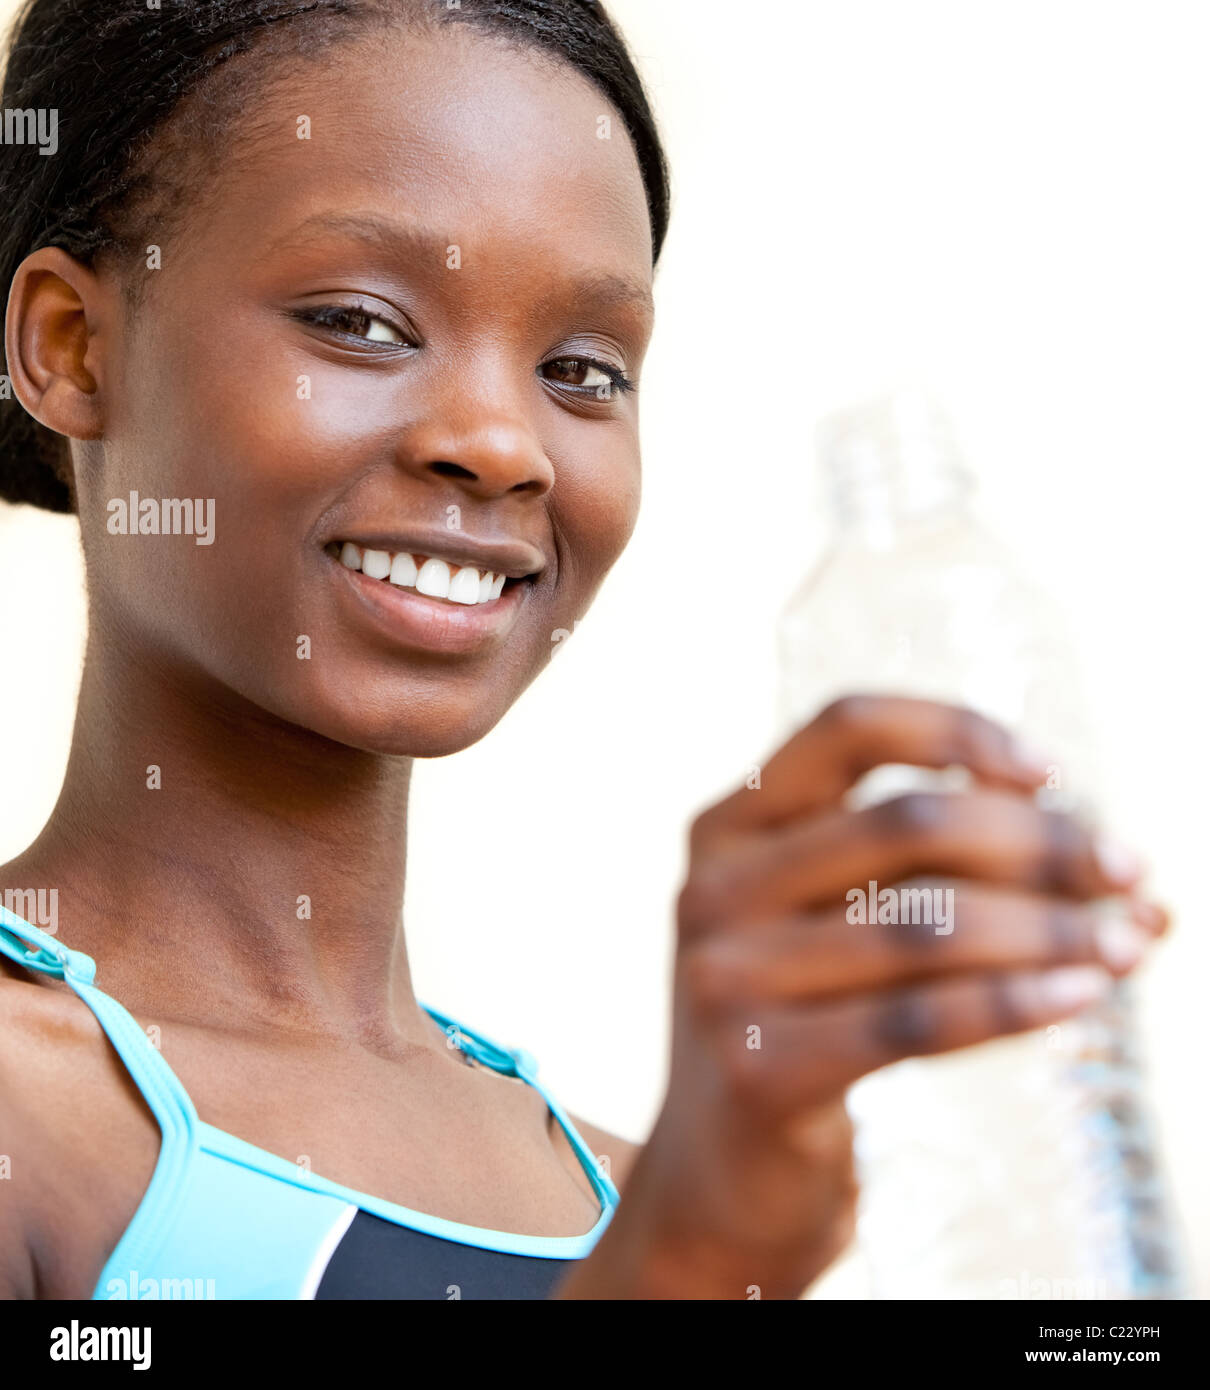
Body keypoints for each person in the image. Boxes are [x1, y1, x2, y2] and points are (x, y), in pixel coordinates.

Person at [0, 0, 1165, 1300]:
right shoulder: (29, 1118)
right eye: (361, 321)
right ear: (69, 344)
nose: (502, 442)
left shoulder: (624, 1182)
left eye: (581, 368)